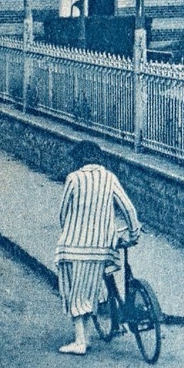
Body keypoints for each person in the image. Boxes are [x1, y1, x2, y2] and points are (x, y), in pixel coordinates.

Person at [55, 140, 142, 355]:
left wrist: (69, 231)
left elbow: (63, 213)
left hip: (74, 246)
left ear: (79, 159)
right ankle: (86, 337)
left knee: (74, 292)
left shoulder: (73, 179)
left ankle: (80, 342)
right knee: (90, 289)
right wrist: (133, 234)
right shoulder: (109, 178)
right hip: (102, 248)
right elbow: (129, 209)